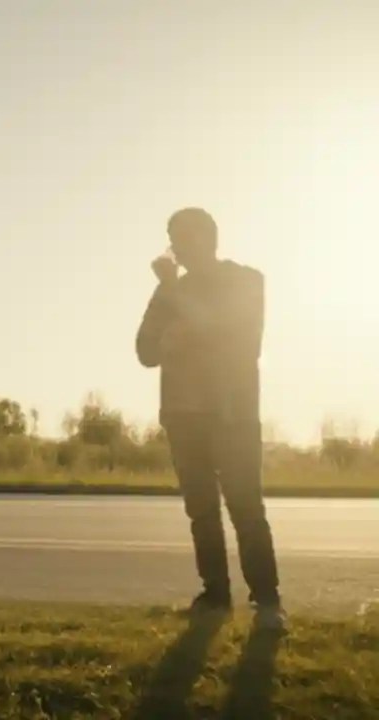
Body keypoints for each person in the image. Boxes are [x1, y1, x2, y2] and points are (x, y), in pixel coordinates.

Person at [135, 207, 285, 631]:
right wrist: (171, 335)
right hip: (182, 414)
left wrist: (179, 310)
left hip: (232, 412)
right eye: (172, 238)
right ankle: (215, 596)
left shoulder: (245, 280)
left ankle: (268, 602)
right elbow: (144, 350)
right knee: (201, 510)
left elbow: (238, 339)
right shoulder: (169, 291)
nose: (176, 248)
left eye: (182, 238)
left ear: (208, 238)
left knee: (245, 507)